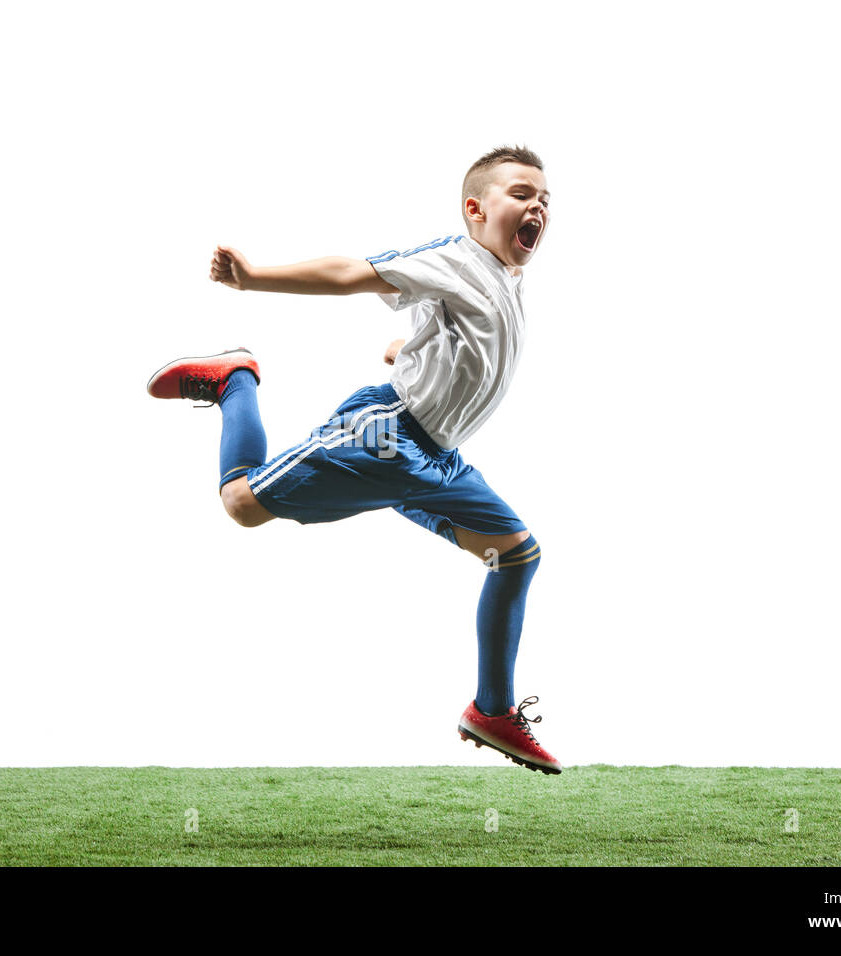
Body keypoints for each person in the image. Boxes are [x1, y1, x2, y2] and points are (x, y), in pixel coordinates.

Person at [146, 145, 560, 773]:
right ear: (476, 210)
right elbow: (351, 273)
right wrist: (254, 277)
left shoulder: (508, 279)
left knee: (515, 554)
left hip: (438, 461)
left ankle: (491, 711)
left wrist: (407, 351)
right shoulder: (457, 256)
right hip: (386, 437)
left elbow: (464, 340)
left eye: (546, 200)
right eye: (522, 194)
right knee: (242, 505)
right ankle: (236, 381)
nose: (538, 207)